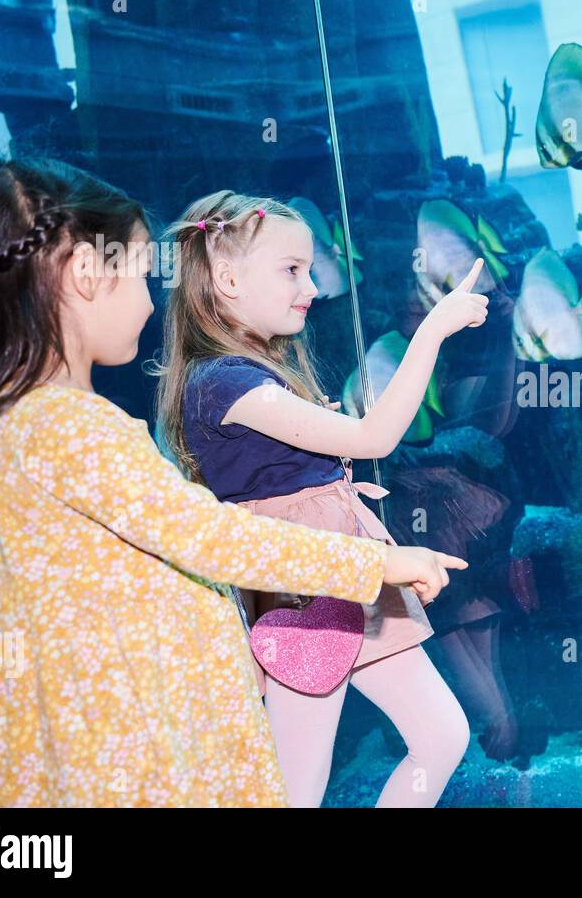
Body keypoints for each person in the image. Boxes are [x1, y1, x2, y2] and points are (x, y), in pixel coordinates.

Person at [0, 155, 465, 806]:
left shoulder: (45, 423)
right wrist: (377, 562)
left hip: (149, 736)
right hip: (137, 755)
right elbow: (212, 534)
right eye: (138, 272)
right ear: (84, 274)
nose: (154, 299)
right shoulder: (67, 425)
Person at [156, 191, 488, 807]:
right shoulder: (223, 382)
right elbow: (374, 437)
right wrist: (433, 329)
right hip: (299, 592)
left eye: (310, 267)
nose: (311, 284)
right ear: (226, 278)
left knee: (442, 734)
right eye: (291, 269)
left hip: (346, 578)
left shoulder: (255, 374)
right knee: (296, 791)